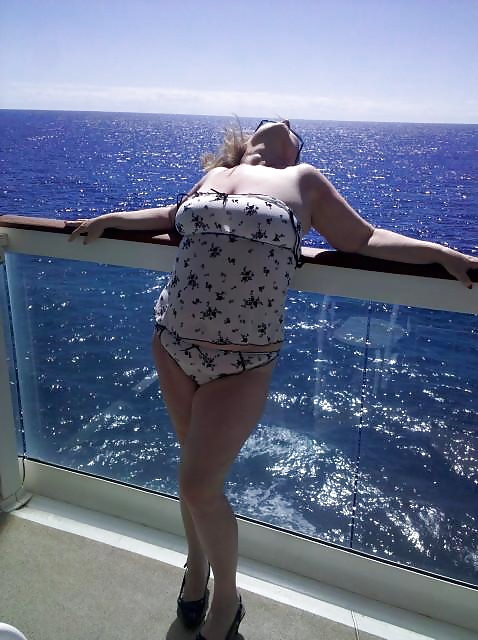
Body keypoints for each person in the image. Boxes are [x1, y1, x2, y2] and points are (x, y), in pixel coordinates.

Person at [67, 119, 478, 640]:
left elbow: (365, 238)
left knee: (197, 483)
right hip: (171, 341)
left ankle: (228, 599)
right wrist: (110, 219)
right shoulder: (216, 175)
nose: (283, 126)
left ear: (294, 149)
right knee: (193, 473)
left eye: (291, 131)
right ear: (248, 139)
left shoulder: (303, 179)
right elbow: (171, 217)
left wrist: (443, 254)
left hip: (242, 361)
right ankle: (196, 567)